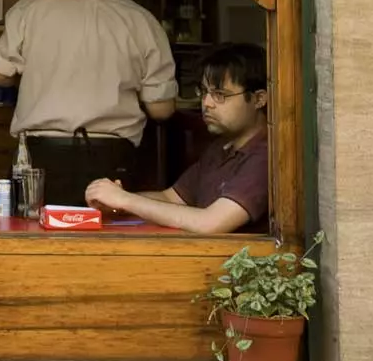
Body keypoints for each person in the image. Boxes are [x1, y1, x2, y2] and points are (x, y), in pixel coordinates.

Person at [0, 0, 177, 205]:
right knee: (111, 234)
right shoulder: (141, 19)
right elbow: (161, 109)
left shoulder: (31, 7)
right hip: (113, 158)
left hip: (41, 155)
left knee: (33, 231)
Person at [85, 43, 269, 233]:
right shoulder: (221, 147)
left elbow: (211, 222)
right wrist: (116, 202)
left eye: (220, 95)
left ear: (258, 99)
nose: (206, 103)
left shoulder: (265, 156)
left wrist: (125, 200)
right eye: (204, 92)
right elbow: (171, 198)